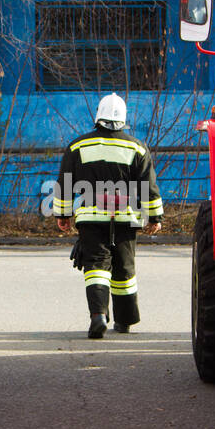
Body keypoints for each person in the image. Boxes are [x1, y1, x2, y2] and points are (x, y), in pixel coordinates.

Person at [53, 93, 164, 338]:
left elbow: (64, 183)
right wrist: (153, 217)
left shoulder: (77, 146)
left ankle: (98, 316)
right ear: (123, 120)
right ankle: (124, 322)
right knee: (124, 270)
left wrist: (63, 214)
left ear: (98, 117)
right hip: (125, 219)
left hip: (90, 219)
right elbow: (148, 184)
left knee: (96, 267)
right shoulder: (136, 147)